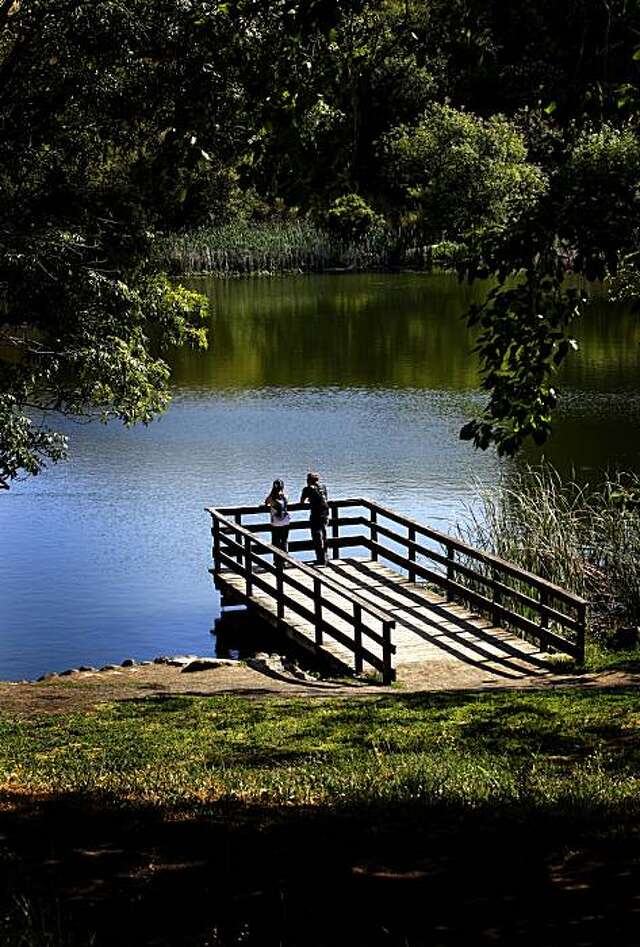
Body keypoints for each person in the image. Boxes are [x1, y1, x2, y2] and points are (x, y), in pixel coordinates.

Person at [300, 471, 329, 565]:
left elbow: (302, 502)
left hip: (316, 516)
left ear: (308, 480)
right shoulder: (323, 487)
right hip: (325, 515)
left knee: (317, 538)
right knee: (324, 537)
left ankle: (320, 560)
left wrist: (309, 498)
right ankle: (325, 558)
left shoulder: (307, 489)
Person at [264, 478, 291, 554]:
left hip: (275, 523)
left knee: (276, 542)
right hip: (285, 521)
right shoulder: (285, 496)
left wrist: (271, 492)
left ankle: (277, 561)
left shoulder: (272, 497)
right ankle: (286, 559)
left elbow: (266, 503)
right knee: (284, 541)